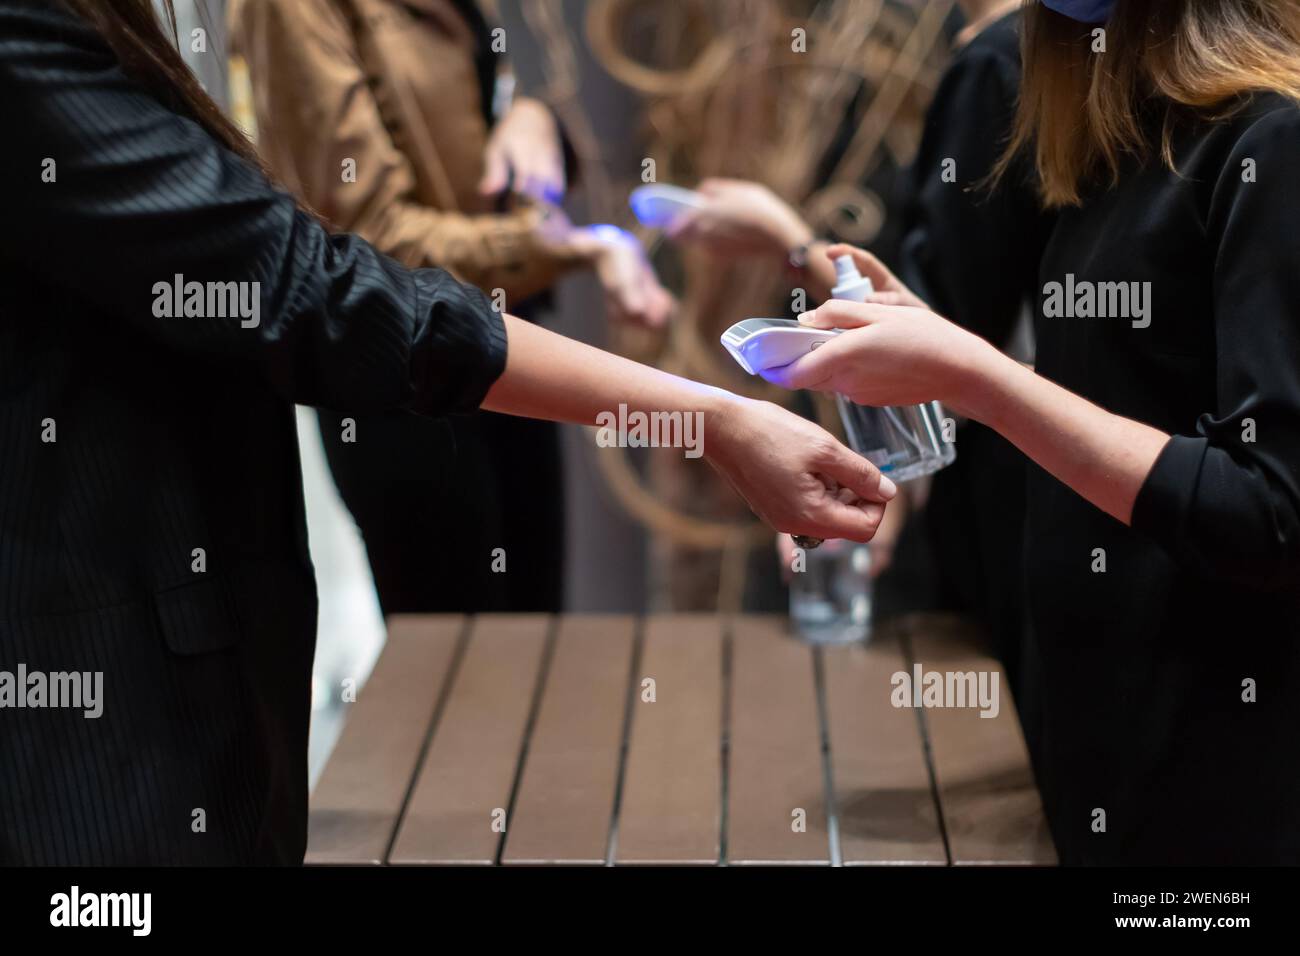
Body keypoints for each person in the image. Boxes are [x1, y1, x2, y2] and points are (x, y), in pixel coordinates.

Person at [0, 0, 894, 865]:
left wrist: (539, 119)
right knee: (468, 714)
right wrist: (709, 412)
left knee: (527, 689)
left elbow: (475, 117)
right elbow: (313, 273)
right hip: (130, 608)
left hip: (432, 394)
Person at [764, 0, 1300, 864]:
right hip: (1091, 716)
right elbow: (1116, 393)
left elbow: (1273, 513)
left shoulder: (1272, 147)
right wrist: (932, 340)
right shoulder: (1109, 150)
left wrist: (981, 380)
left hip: (1217, 760)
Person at [232, 0, 673, 614]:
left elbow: (486, 104)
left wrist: (534, 115)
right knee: (459, 673)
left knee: (535, 646)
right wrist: (574, 248)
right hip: (408, 375)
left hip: (508, 337)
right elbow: (367, 242)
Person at [666, 0, 1049, 689]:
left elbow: (943, 331)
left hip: (997, 506)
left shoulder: (1000, 60)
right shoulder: (1030, 52)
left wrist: (787, 241)